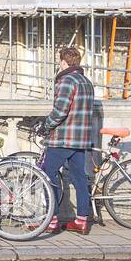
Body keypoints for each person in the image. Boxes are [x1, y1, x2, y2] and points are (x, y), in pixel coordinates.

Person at [38, 46, 98, 234]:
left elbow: (60, 111)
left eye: (60, 61)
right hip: (81, 138)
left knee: (48, 174)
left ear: (63, 62)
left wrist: (46, 125)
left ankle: (52, 220)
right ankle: (82, 220)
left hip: (63, 138)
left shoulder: (66, 81)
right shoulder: (86, 82)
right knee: (80, 178)